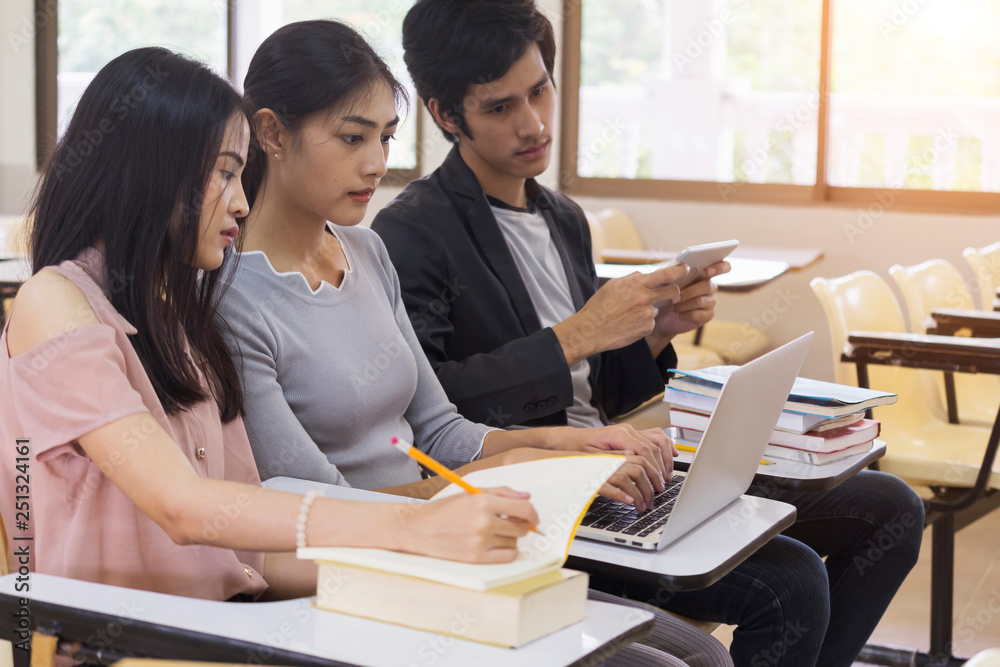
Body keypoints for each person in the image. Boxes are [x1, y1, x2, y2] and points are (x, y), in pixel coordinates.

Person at [370, 2, 926, 666]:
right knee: (789, 583)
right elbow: (435, 406)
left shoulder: (561, 217)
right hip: (545, 493)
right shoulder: (413, 232)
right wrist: (577, 334)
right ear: (445, 114)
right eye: (500, 107)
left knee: (889, 508)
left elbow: (600, 393)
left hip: (621, 467)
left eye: (540, 90)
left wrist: (655, 333)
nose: (534, 122)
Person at [216, 20, 732, 667]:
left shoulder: (368, 252)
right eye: (352, 138)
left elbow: (439, 428)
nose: (376, 163)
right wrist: (510, 474)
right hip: (364, 573)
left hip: (455, 537)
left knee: (700, 655)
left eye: (385, 137)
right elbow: (321, 511)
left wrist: (572, 444)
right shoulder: (233, 300)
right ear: (270, 133)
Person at [0, 46, 544, 605]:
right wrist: (412, 527)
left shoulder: (175, 314)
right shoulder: (55, 303)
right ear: (151, 171)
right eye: (225, 174)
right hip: (134, 646)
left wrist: (419, 562)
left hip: (240, 616)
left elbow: (255, 555)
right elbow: (183, 508)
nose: (240, 203)